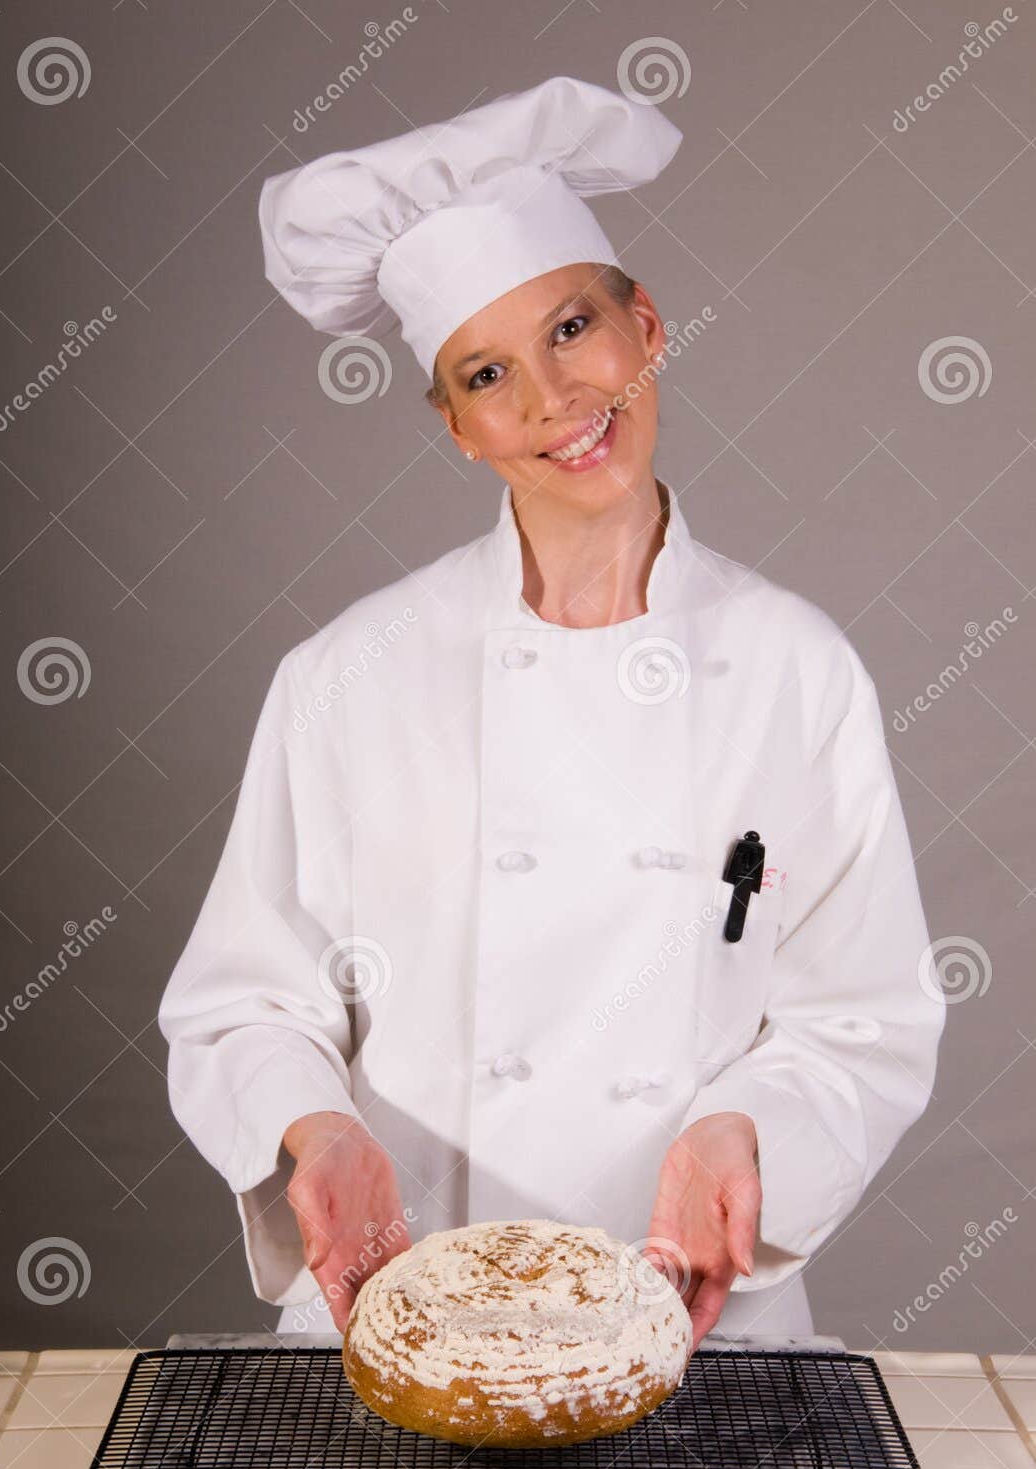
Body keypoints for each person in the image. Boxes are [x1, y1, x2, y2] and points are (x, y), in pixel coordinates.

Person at [158, 77, 945, 1350]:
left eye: (572, 328)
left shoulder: (798, 668)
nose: (552, 401)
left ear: (646, 326)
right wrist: (320, 1131)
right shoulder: (347, 674)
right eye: (487, 374)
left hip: (701, 1331)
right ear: (458, 427)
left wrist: (744, 1135)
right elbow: (246, 1003)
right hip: (407, 1311)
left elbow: (863, 1014)